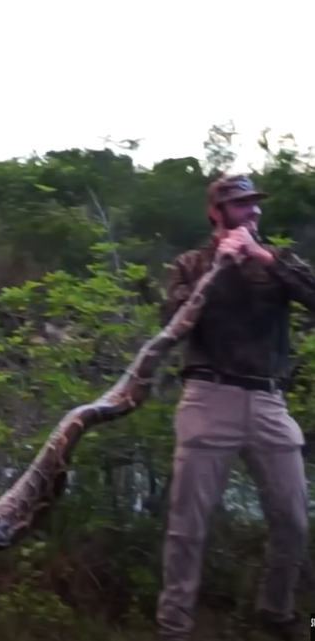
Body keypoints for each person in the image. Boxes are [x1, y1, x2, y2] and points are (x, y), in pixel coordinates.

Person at [155, 174, 315, 640]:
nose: (253, 211)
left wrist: (263, 257)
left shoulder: (278, 261)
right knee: (187, 527)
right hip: (208, 398)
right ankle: (174, 627)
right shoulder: (191, 263)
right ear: (216, 212)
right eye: (241, 204)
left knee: (293, 520)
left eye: (254, 203)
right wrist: (219, 268)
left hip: (267, 400)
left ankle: (275, 612)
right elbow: (172, 325)